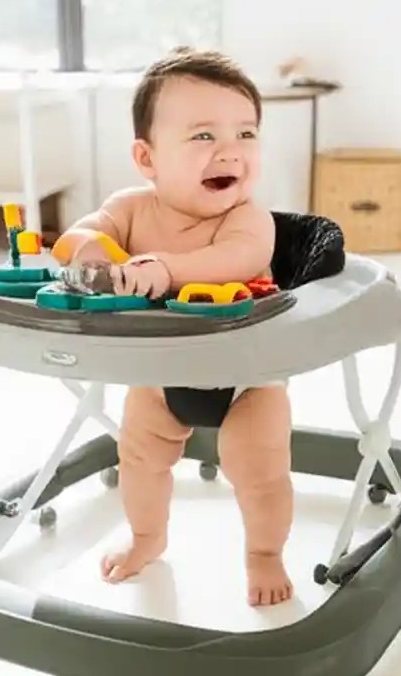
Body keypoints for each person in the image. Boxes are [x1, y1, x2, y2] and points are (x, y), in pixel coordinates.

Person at [54, 47, 294, 606]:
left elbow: (234, 261)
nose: (230, 151)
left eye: (246, 134)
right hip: (160, 374)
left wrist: (166, 270)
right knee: (138, 459)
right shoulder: (131, 209)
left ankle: (265, 553)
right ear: (147, 157)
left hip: (247, 378)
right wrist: (87, 247)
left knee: (257, 473)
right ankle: (146, 538)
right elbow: (84, 234)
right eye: (204, 137)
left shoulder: (247, 220)